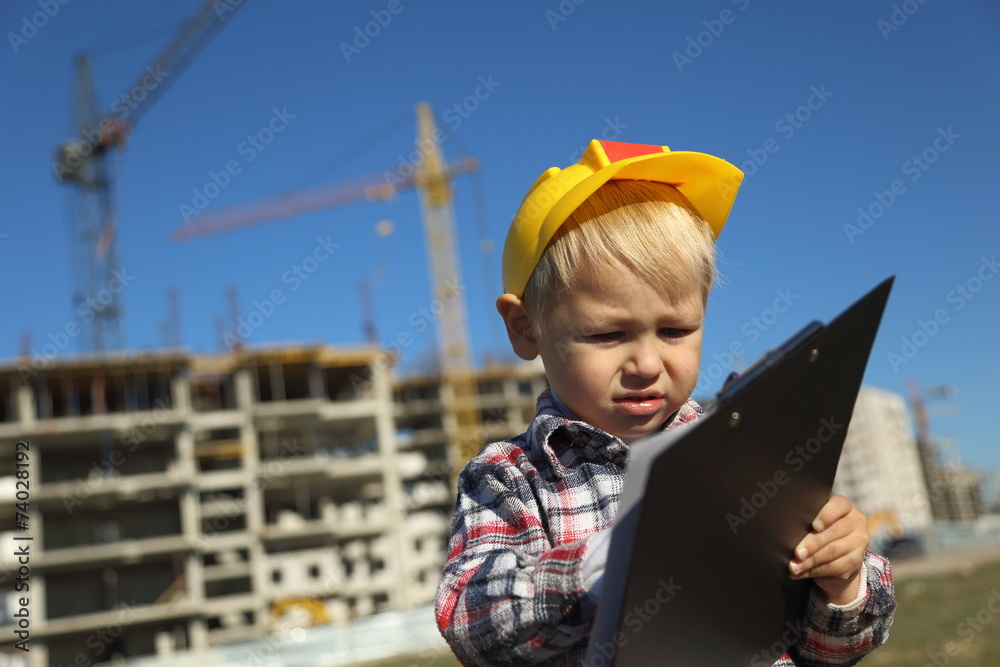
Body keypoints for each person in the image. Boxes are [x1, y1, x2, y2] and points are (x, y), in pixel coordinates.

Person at [435, 140, 896, 666]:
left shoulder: (742, 451)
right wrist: (611, 563)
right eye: (609, 334)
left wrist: (842, 582)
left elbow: (832, 653)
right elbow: (469, 624)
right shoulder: (509, 477)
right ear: (526, 328)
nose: (647, 364)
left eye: (675, 330)